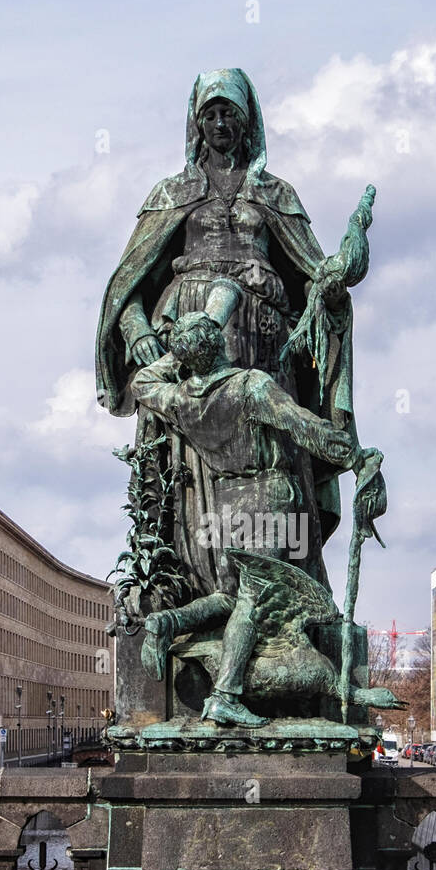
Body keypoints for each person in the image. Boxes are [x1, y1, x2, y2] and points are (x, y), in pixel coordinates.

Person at [96, 68, 358, 601]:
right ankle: (188, 593)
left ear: (248, 123)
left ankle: (279, 594)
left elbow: (314, 274)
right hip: (187, 342)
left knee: (270, 460)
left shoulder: (276, 193)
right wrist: (138, 329)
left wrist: (329, 295)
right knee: (189, 475)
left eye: (230, 114)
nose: (220, 123)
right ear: (196, 124)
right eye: (210, 114)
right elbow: (128, 283)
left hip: (264, 348)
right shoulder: (170, 193)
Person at [132, 310, 363, 727]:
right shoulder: (251, 385)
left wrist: (179, 357)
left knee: (228, 595)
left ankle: (167, 621)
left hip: (224, 499)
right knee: (252, 600)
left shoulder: (183, 398)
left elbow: (142, 382)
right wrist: (356, 457)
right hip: (266, 492)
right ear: (220, 342)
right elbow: (305, 427)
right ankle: (225, 694)